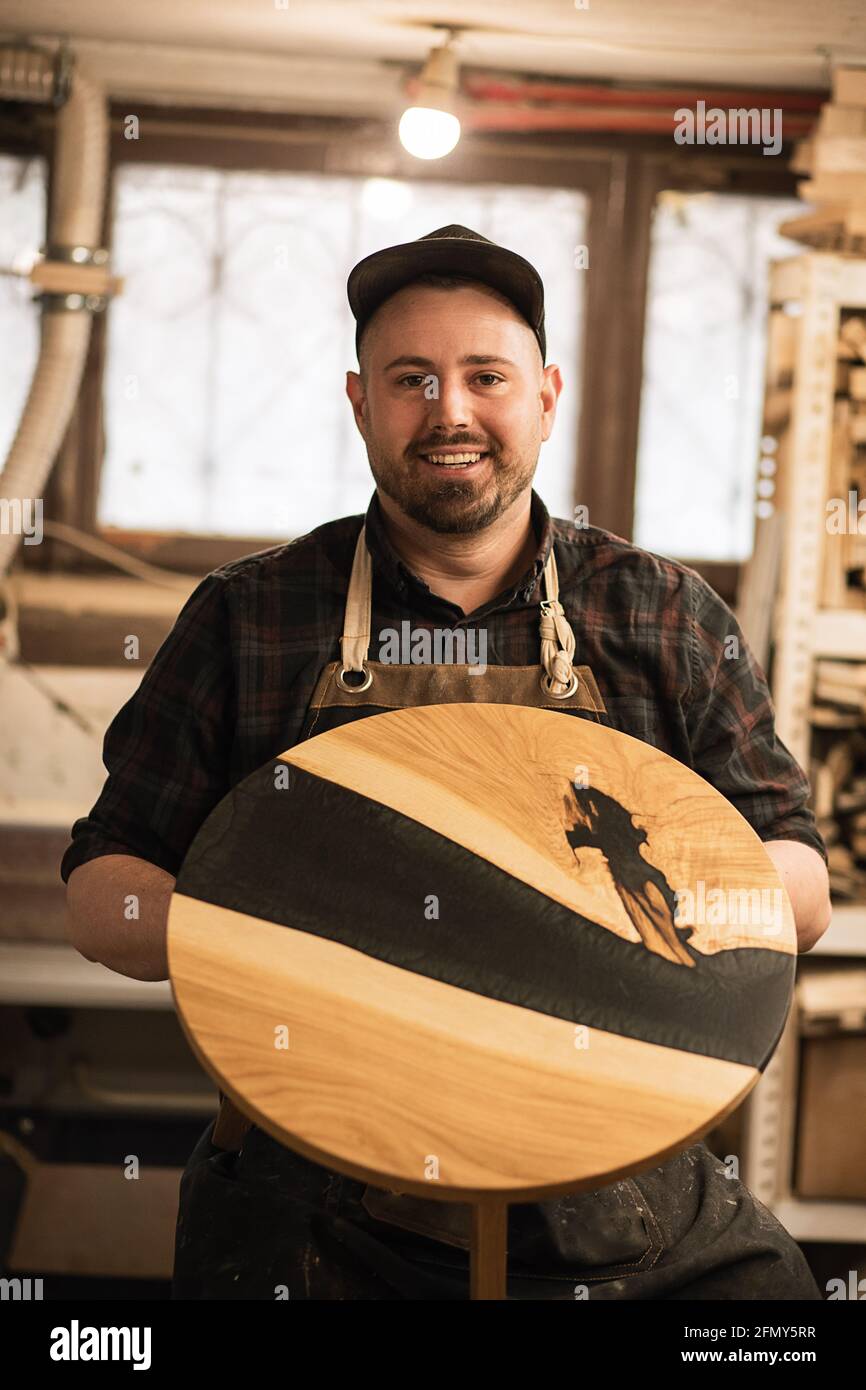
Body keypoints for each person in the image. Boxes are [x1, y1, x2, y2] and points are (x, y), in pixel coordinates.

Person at [63, 224, 831, 1300]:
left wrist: (638, 908)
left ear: (546, 395)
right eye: (410, 380)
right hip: (320, 1175)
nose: (450, 412)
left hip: (610, 1162)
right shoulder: (253, 613)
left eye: (485, 377)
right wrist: (268, 927)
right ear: (359, 401)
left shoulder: (658, 614)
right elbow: (104, 891)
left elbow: (795, 884)